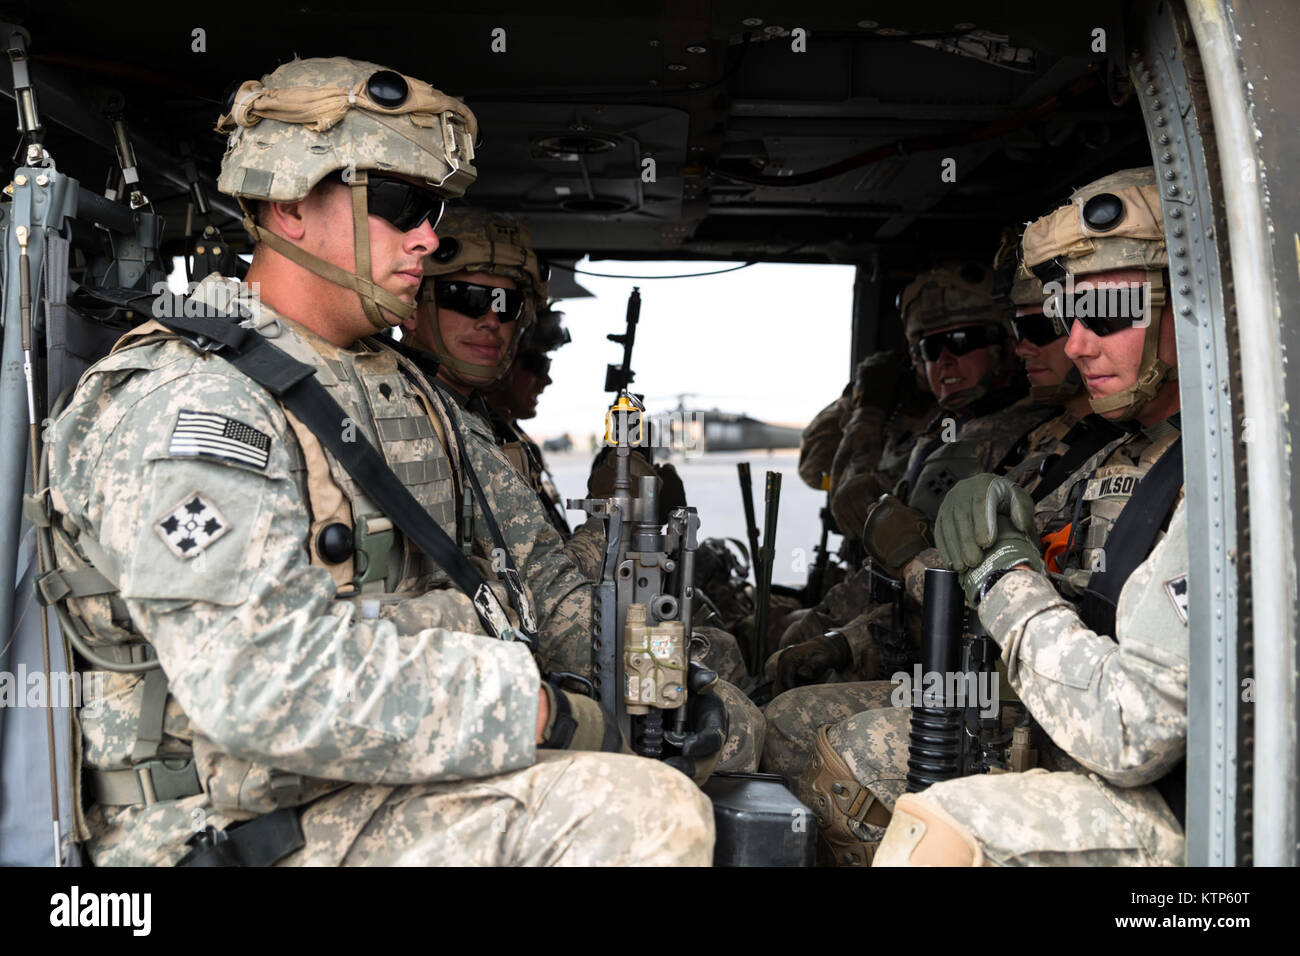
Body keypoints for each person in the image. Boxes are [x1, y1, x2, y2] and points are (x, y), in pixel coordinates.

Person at [43, 56, 714, 866]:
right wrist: (543, 715)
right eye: (402, 204)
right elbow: (262, 686)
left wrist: (653, 686)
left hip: (372, 784)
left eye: (434, 207)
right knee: (644, 816)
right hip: (218, 833)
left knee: (702, 747)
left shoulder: (403, 391)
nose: (429, 238)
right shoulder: (193, 404)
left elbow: (537, 581)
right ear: (290, 201)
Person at [795, 167, 1186, 866]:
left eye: (1109, 314)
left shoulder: (1229, 473)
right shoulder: (1097, 449)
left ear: (1187, 309)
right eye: (1067, 316)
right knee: (806, 736)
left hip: (1162, 786)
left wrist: (1004, 570)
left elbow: (1131, 730)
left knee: (924, 828)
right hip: (1050, 716)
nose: (1073, 344)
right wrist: (848, 640)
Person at [402, 207, 760, 765]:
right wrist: (614, 511)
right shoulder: (423, 423)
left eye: (507, 305)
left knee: (717, 659)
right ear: (416, 307)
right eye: (466, 299)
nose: (490, 321)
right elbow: (551, 607)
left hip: (544, 647)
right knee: (735, 721)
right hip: (514, 670)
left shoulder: (478, 423)